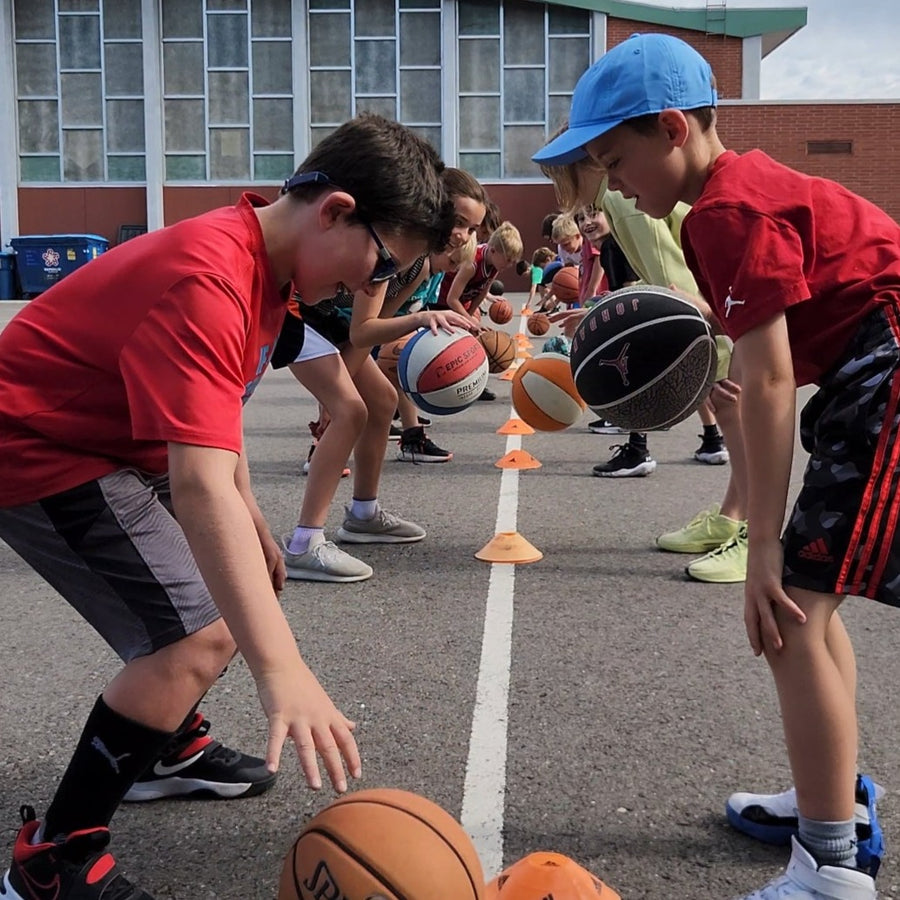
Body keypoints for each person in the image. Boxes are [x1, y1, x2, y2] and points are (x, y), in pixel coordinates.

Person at [0, 113, 453, 900]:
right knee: (198, 638)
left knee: (241, 581)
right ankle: (51, 862)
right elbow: (198, 481)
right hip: (35, 441)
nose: (369, 288)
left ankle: (167, 747)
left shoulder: (265, 265)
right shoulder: (209, 277)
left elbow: (216, 426)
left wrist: (250, 517)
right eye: (385, 263)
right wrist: (284, 671)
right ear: (336, 210)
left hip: (106, 439)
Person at [534, 32, 896, 899]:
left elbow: (771, 376)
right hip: (867, 375)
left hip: (888, 374)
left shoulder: (730, 210)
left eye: (615, 162)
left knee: (790, 612)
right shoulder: (722, 205)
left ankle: (832, 868)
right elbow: (751, 356)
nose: (613, 185)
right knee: (810, 613)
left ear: (671, 130)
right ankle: (831, 800)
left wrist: (758, 539)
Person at [276, 168, 486, 582]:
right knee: (352, 410)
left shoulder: (421, 263)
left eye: (472, 228)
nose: (462, 234)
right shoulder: (390, 244)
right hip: (299, 313)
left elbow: (371, 329)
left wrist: (345, 380)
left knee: (382, 401)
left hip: (333, 327)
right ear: (433, 205)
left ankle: (363, 515)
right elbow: (361, 330)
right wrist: (423, 318)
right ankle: (303, 543)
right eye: (459, 221)